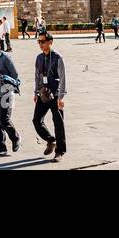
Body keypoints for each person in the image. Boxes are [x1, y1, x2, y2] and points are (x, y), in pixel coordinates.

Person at [32, 31, 66, 162]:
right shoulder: (39, 58)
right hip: (43, 93)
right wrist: (36, 92)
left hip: (56, 94)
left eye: (43, 41)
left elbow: (63, 78)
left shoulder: (58, 58)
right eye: (39, 41)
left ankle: (60, 151)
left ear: (50, 42)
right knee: (36, 120)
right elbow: (37, 76)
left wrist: (61, 97)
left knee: (58, 123)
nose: (40, 44)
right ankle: (51, 140)